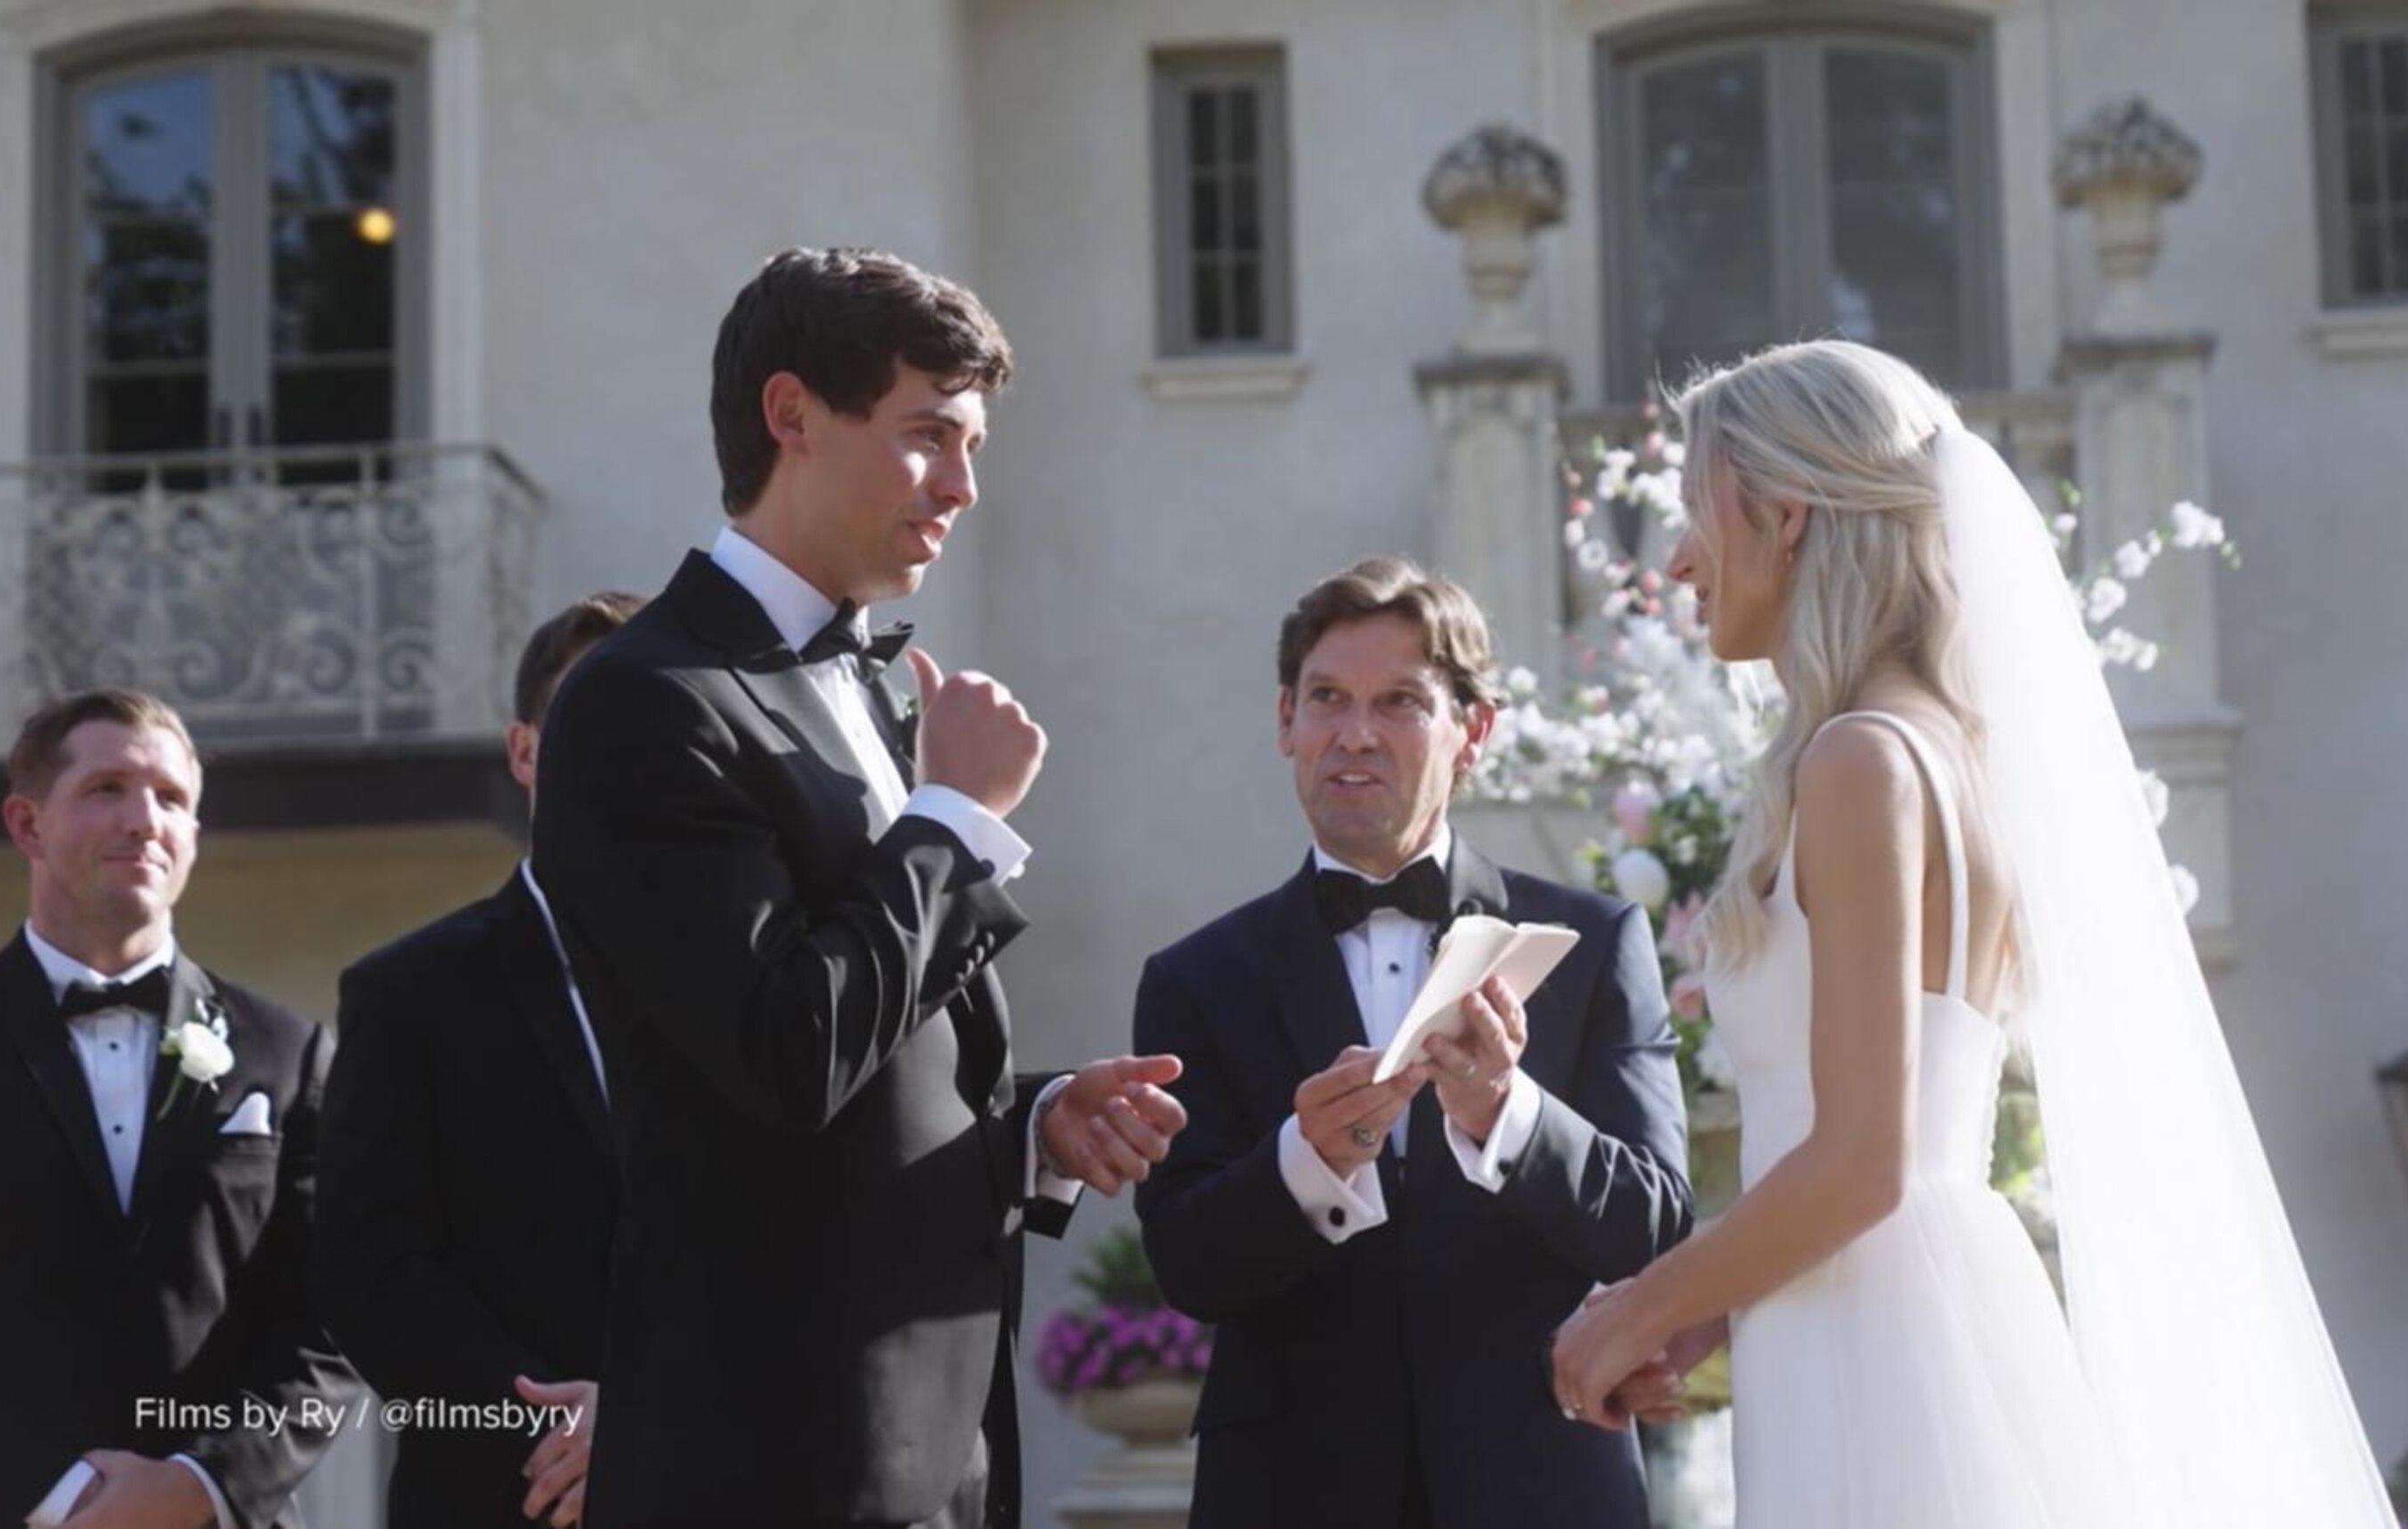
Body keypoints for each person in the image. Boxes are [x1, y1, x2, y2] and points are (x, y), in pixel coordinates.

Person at [1546, 340, 2397, 1526]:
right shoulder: (1951, 754)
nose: (1679, 558)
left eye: (1698, 510)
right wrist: (1708, 1311)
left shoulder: (1859, 762)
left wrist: (1636, 1308)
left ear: (1784, 516)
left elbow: (1863, 1160)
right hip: (1896, 1307)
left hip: (1879, 1351)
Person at [527, 248, 1186, 1529]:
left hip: (941, 1458)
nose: (964, 485)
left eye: (973, 445)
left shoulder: (872, 691)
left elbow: (877, 1062)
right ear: (791, 415)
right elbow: (785, 1052)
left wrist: (1031, 1127)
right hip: (768, 1465)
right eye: (929, 434)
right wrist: (956, 820)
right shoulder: (642, 703)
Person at [1132, 558, 1692, 1529]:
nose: (1354, 734)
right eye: (1327, 698)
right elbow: (1189, 1268)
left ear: (1472, 732)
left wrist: (1506, 1117)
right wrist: (1307, 1162)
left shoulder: (1593, 942)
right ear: (1285, 720)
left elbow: (1654, 1224)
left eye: (1399, 702)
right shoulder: (1196, 978)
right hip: (1289, 1495)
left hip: (1541, 1482)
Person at [0, 689, 359, 1529]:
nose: (145, 821)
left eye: (172, 798)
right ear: (28, 824)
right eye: (107, 789)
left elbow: (331, 1319)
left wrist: (202, 1485)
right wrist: (60, 1497)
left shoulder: (287, 1052)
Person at [314, 592, 646, 1529]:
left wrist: (660, 1420)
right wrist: (548, 1435)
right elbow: (368, 1272)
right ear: (523, 752)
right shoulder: (407, 993)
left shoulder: (758, 981)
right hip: (505, 1501)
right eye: (589, 715)